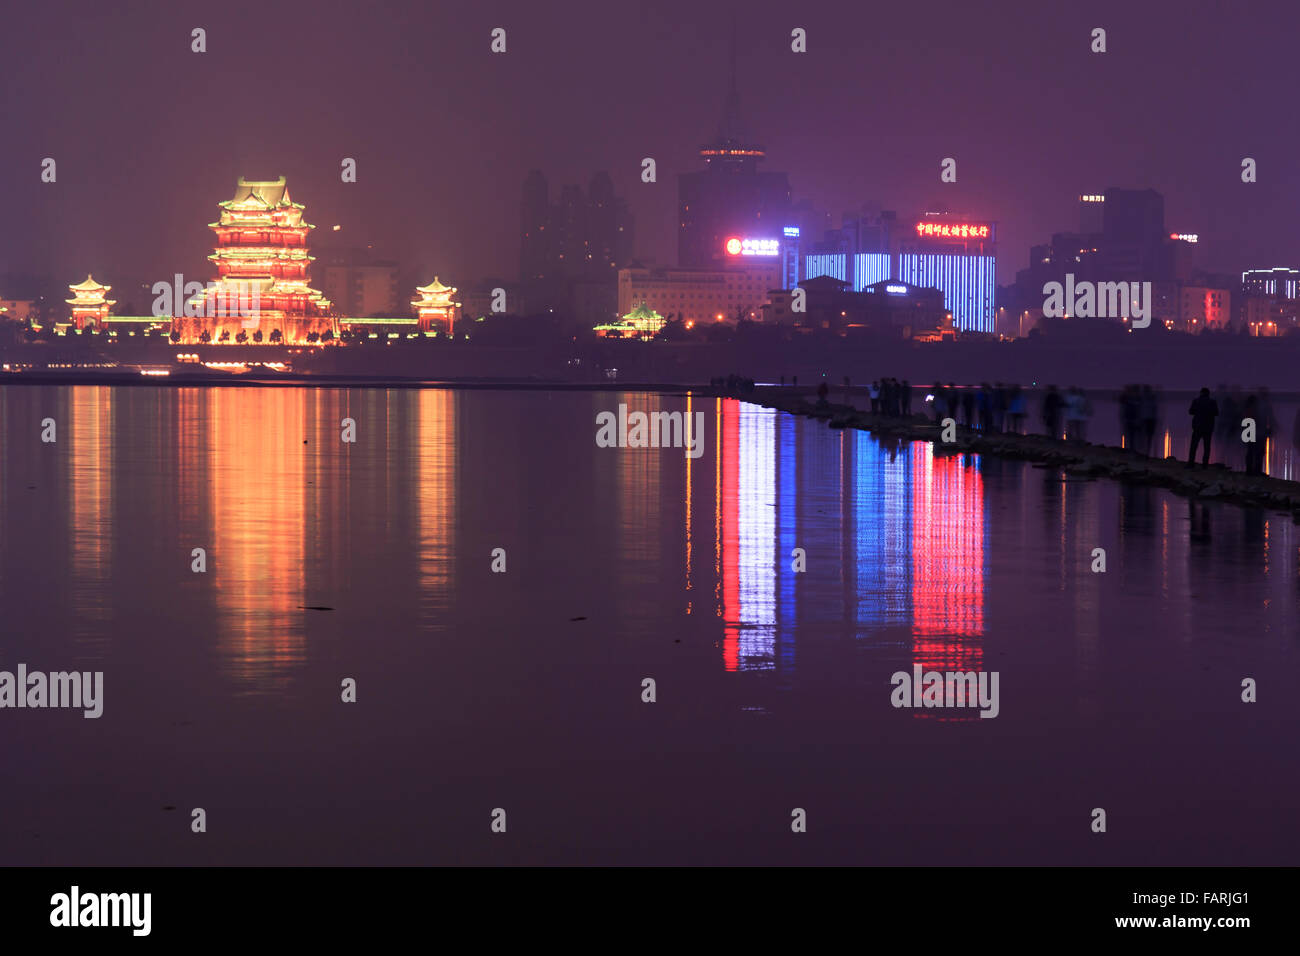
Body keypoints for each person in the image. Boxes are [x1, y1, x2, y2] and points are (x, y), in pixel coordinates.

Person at [1187, 387, 1219, 467]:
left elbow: (1190, 411)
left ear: (1201, 393)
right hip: (1208, 427)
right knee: (1207, 447)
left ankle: (1191, 463)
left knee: (1194, 446)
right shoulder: (1212, 402)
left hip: (1197, 427)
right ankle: (1205, 464)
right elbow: (1216, 413)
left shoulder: (1196, 401)